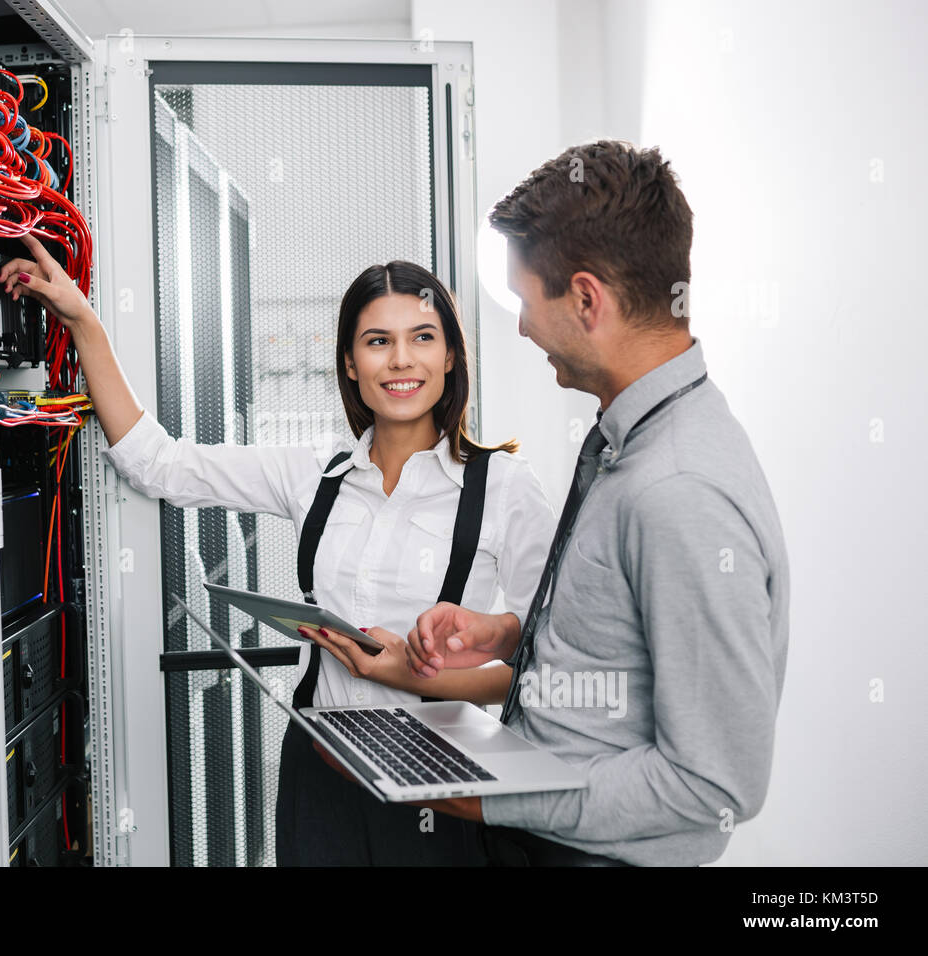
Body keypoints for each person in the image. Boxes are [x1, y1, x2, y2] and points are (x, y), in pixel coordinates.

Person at [0, 241, 558, 865]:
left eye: (422, 337)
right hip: (322, 762)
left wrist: (406, 674)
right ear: (349, 363)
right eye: (377, 341)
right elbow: (163, 465)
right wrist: (82, 321)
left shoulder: (503, 487)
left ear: (450, 355)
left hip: (442, 775)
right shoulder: (316, 474)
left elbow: (546, 670)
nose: (401, 360)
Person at [319, 140, 791, 867]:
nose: (520, 328)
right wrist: (508, 634)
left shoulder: (679, 489)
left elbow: (711, 783)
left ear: (585, 299)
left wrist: (473, 792)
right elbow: (624, 647)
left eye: (523, 301)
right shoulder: (624, 438)